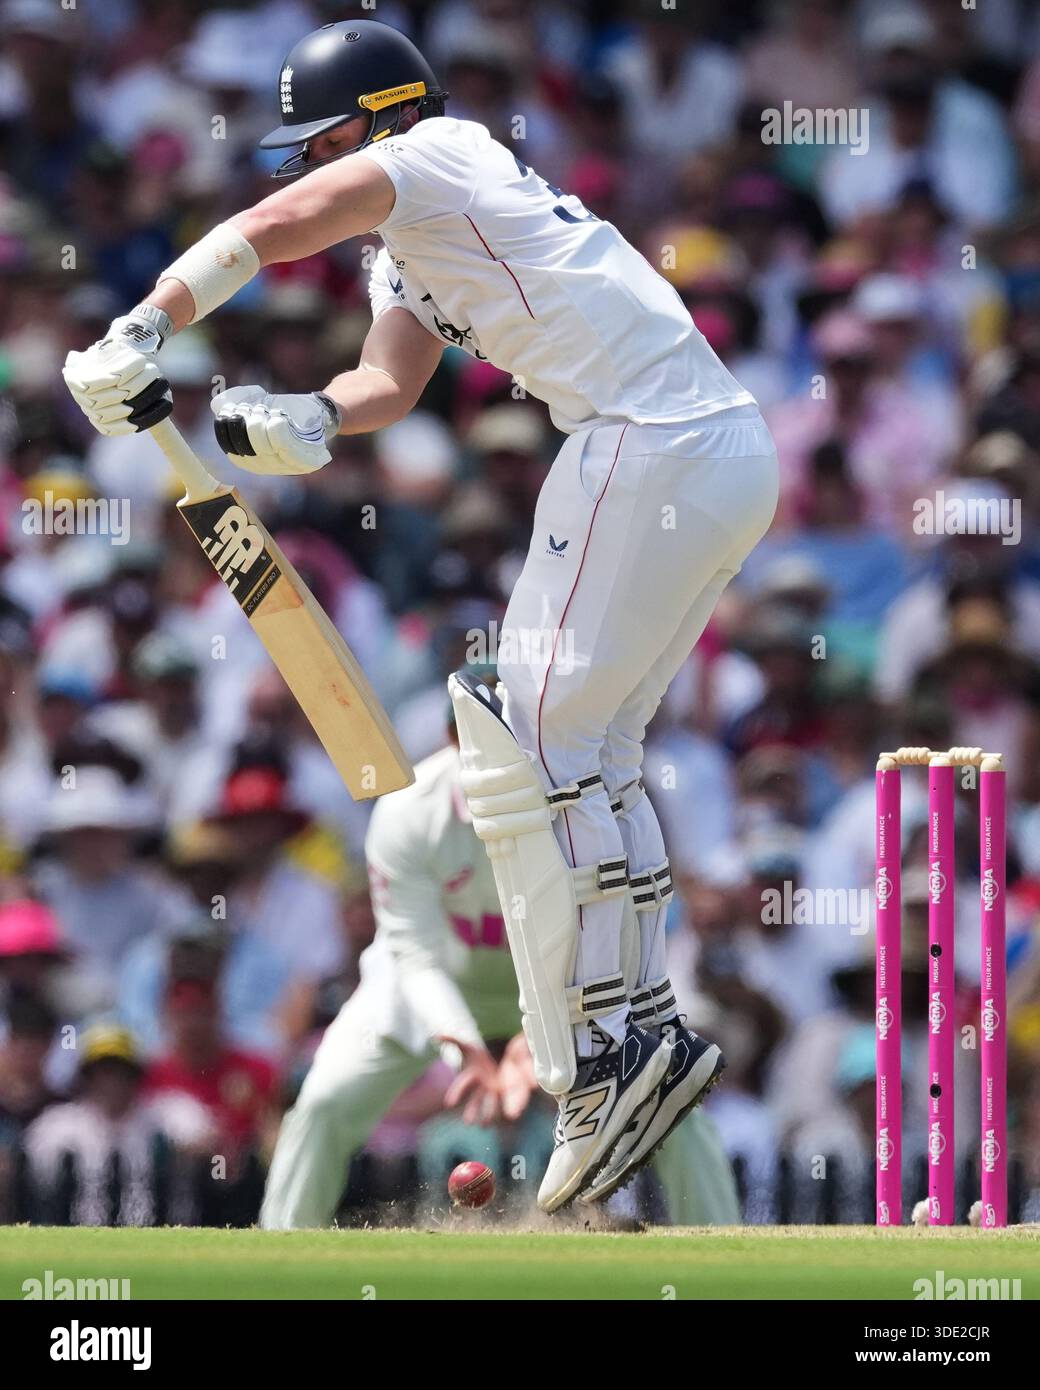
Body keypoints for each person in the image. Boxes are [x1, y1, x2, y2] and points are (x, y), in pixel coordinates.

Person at [62, 17, 778, 1212]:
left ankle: (600, 1058)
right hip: (710, 452)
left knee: (517, 740)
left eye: (324, 134)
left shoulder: (439, 151)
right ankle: (639, 1024)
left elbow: (276, 224)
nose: (304, 160)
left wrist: (148, 320)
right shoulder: (412, 241)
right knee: (590, 747)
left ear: (385, 110)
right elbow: (387, 382)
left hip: (642, 440)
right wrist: (316, 415)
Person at [261, 694, 739, 1229]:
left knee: (671, 1107)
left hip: (565, 992)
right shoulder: (406, 812)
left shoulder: (579, 809)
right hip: (426, 990)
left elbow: (605, 937)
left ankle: (722, 1257)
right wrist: (465, 1048)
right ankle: (281, 1252)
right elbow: (415, 956)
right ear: (452, 741)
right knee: (323, 1104)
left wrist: (534, 1038)